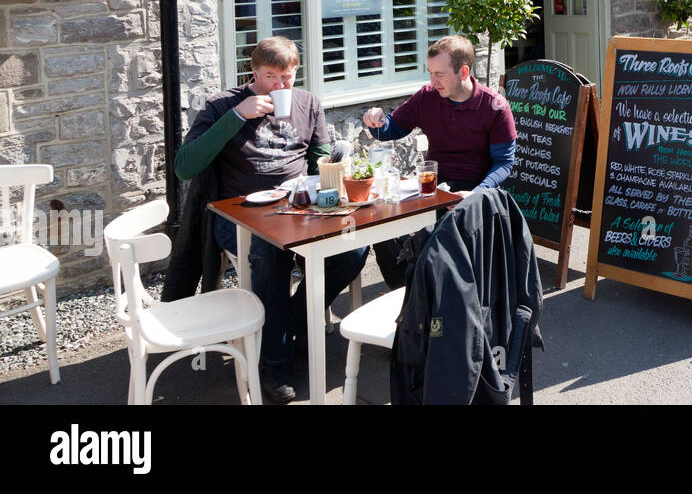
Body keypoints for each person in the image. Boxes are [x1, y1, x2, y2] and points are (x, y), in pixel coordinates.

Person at [174, 36, 368, 404]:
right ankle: (274, 362)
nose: (280, 86)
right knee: (271, 254)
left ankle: (290, 326)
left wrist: (328, 169)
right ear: (253, 72)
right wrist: (237, 117)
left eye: (288, 77)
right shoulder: (222, 106)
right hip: (240, 216)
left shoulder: (307, 102)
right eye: (271, 77)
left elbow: (319, 155)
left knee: (353, 249)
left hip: (298, 208)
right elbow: (185, 167)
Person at [363, 35, 518, 284]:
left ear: (463, 71)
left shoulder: (495, 106)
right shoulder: (427, 97)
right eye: (430, 73)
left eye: (440, 74)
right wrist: (376, 120)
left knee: (435, 243)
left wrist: (476, 193)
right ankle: (409, 299)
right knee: (382, 229)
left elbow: (504, 163)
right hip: (433, 189)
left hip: (476, 191)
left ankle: (430, 299)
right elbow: (392, 129)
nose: (433, 81)